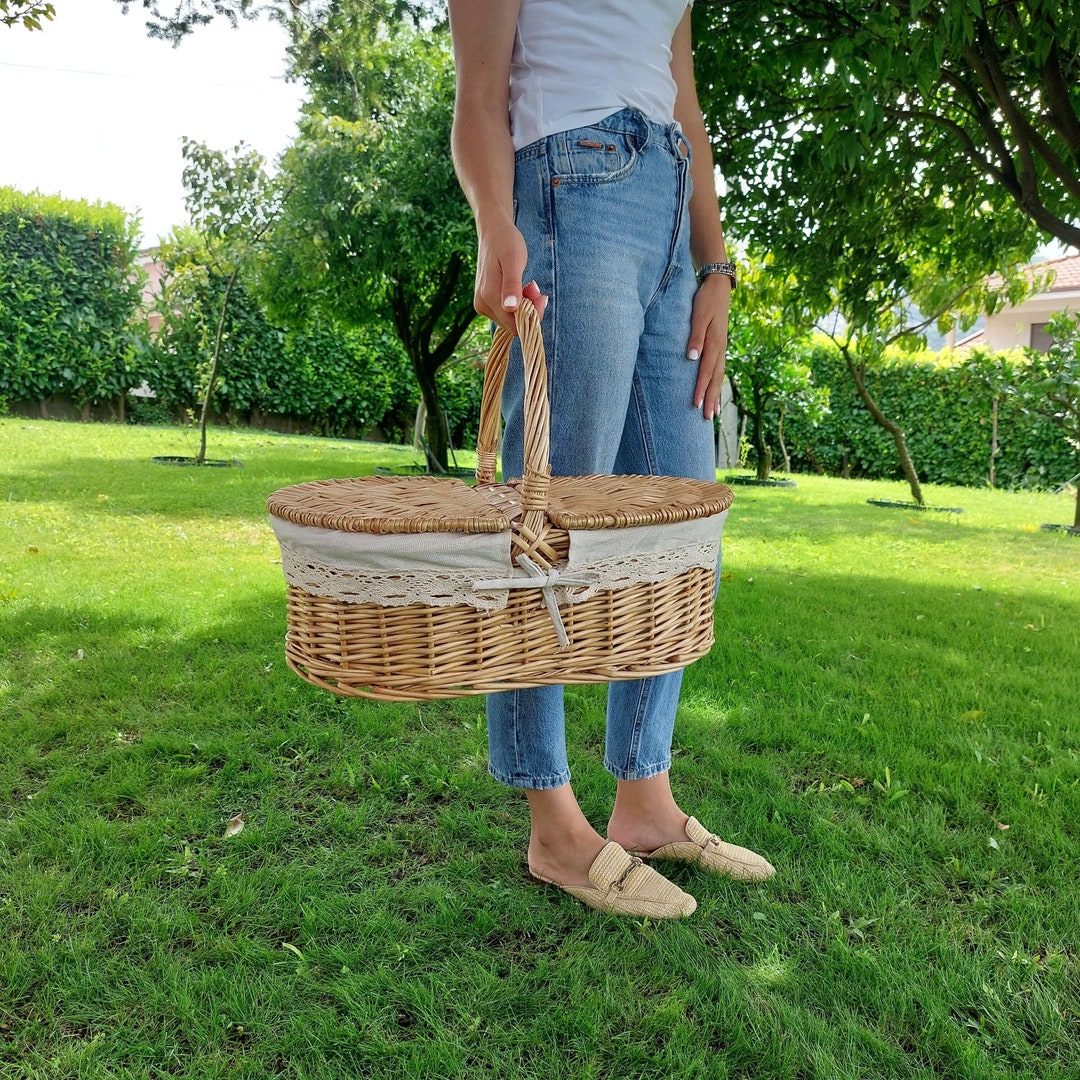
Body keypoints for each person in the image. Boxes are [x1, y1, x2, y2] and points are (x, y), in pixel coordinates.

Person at [448, 0, 774, 918]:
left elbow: (686, 102)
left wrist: (715, 267)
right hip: (568, 186)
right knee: (545, 521)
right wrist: (493, 223)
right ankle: (553, 822)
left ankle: (645, 802)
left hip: (669, 207)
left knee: (679, 525)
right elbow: (478, 95)